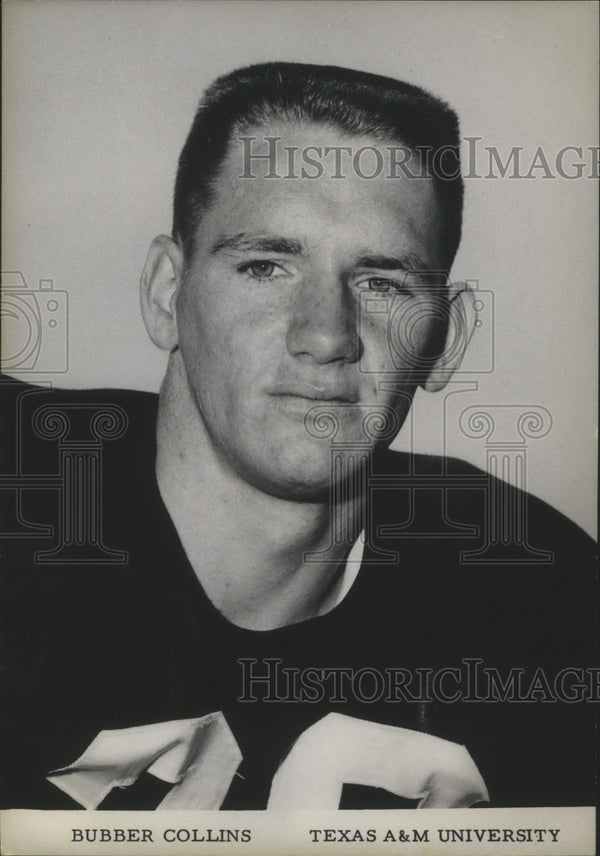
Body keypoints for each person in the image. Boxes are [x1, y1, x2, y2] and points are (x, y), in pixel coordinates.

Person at [1, 62, 596, 811]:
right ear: (165, 293)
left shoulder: (541, 599)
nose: (325, 335)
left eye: (382, 282)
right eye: (265, 266)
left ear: (446, 340)